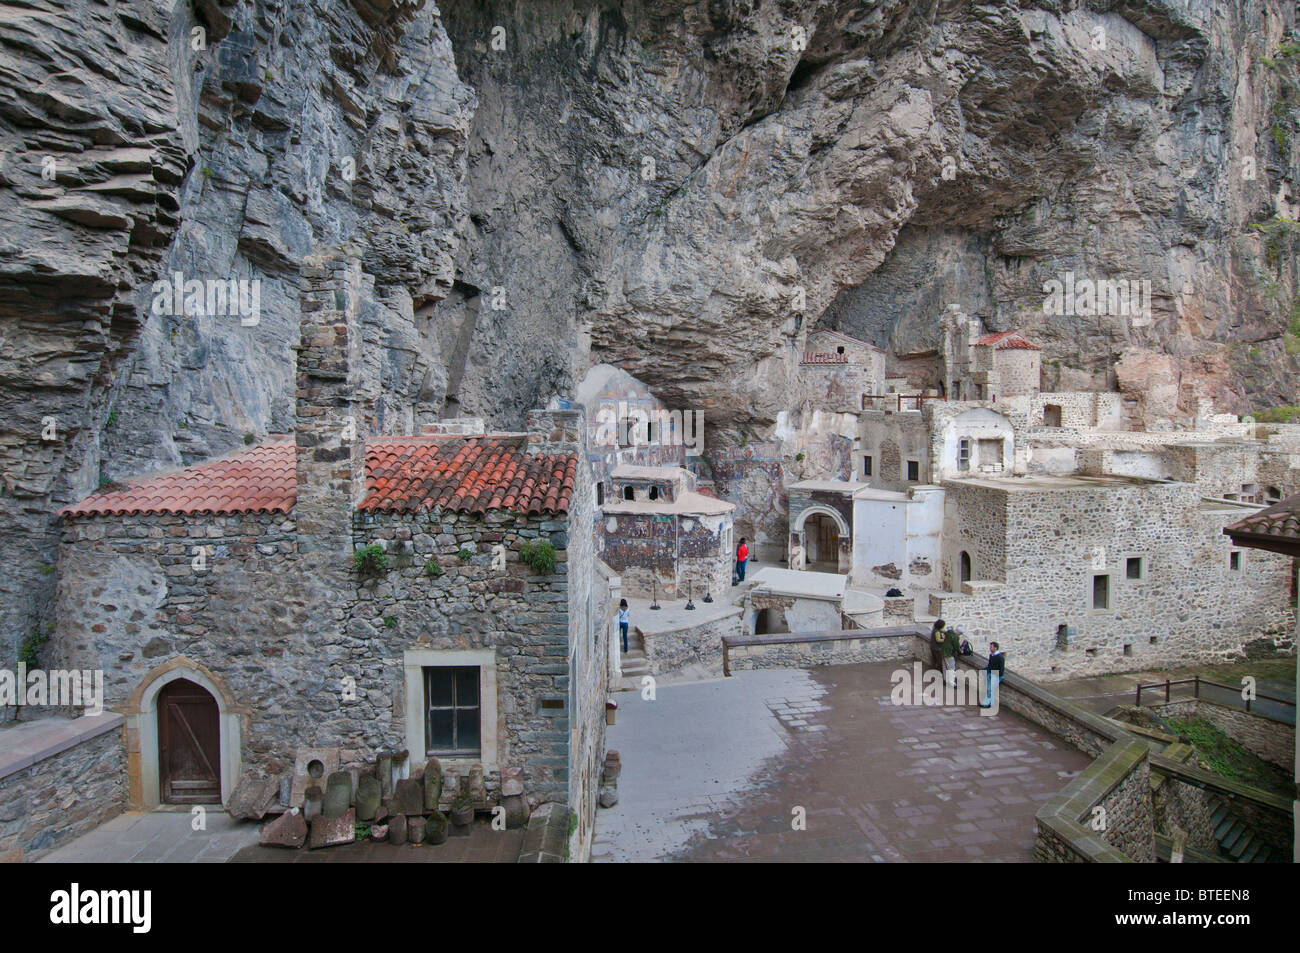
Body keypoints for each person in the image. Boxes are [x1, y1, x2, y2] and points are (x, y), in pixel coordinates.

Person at [981, 641, 1004, 708]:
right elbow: (990, 665)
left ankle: (986, 703)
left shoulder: (1000, 657)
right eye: (990, 647)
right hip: (990, 674)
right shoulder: (991, 655)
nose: (990, 648)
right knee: (989, 689)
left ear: (995, 648)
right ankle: (991, 704)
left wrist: (997, 676)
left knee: (991, 689)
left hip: (996, 675)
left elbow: (1001, 668)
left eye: (991, 647)